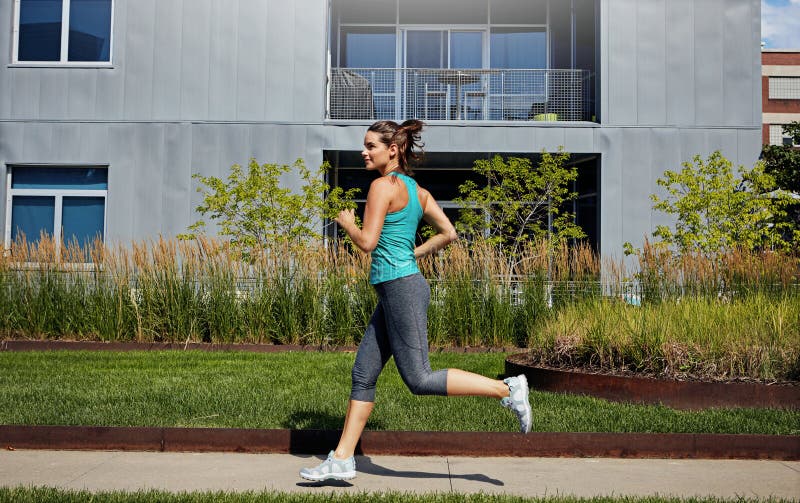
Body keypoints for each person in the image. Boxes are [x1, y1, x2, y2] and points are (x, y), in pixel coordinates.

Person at [299, 120, 531, 482]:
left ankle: (506, 388)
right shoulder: (418, 191)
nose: (364, 151)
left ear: (392, 150)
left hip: (400, 288)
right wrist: (413, 254)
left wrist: (346, 223)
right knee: (363, 373)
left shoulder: (381, 187)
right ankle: (343, 459)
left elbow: (367, 243)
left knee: (419, 378)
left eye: (370, 146)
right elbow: (449, 233)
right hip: (398, 286)